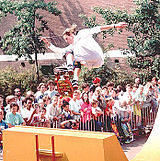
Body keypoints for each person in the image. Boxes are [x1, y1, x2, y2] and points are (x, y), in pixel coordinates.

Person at [41, 22, 127, 89]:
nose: (67, 41)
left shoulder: (82, 33)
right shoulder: (73, 47)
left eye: (67, 39)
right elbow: (59, 51)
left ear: (71, 34)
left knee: (69, 52)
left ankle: (69, 66)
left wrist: (115, 25)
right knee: (71, 55)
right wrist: (47, 43)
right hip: (96, 63)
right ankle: (75, 80)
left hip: (95, 54)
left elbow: (99, 28)